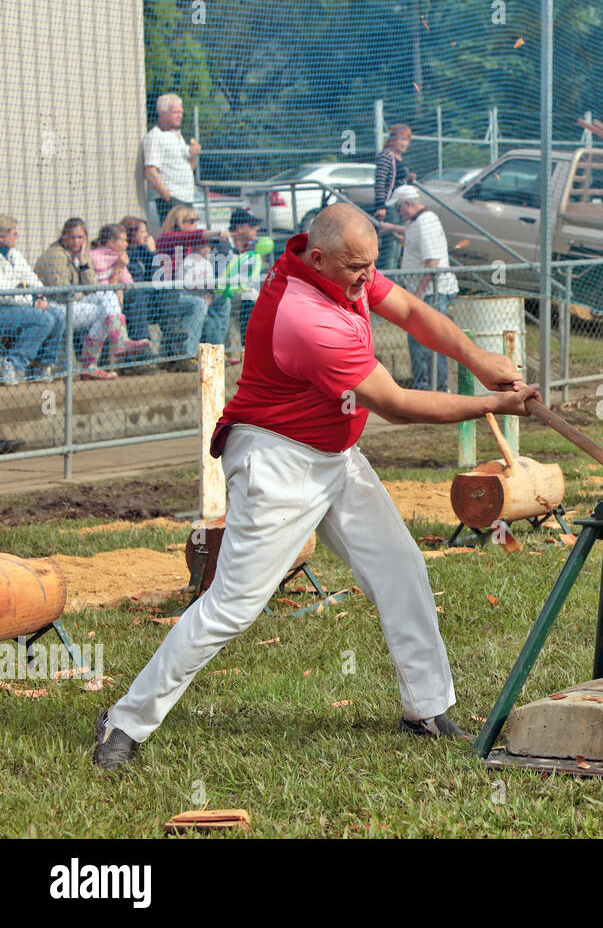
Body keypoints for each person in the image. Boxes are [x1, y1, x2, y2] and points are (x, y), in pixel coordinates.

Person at [92, 203, 536, 770]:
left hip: (334, 453)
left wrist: (475, 357)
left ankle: (426, 708)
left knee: (401, 567)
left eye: (370, 265)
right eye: (356, 268)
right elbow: (397, 405)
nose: (367, 278)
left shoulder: (336, 263)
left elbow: (410, 310)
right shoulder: (305, 318)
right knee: (232, 608)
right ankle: (125, 720)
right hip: (277, 460)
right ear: (319, 258)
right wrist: (495, 403)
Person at [35, 218, 138, 380]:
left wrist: (83, 263)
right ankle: (92, 363)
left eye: (80, 237)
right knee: (105, 313)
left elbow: (93, 285)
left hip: (75, 302)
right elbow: (62, 292)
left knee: (108, 296)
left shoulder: (81, 254)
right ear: (63, 237)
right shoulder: (56, 255)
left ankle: (116, 344)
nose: (76, 241)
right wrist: (84, 293)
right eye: (72, 237)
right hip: (54, 306)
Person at [385, 184, 459, 392]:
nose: (399, 212)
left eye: (399, 208)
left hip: (430, 293)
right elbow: (413, 236)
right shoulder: (415, 222)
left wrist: (419, 291)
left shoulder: (425, 222)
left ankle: (435, 387)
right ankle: (425, 385)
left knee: (428, 340)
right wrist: (392, 228)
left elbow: (432, 261)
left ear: (408, 204)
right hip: (422, 292)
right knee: (419, 339)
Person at [0, 214, 67, 386]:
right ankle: (12, 363)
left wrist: (40, 296)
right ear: (2, 236)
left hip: (23, 304)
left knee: (58, 315)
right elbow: (5, 293)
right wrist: (31, 301)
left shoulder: (14, 254)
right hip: (4, 308)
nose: (17, 236)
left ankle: (41, 365)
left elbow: (32, 279)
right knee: (44, 319)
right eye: (13, 233)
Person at [154, 203, 221, 371]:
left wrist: (210, 295)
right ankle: (187, 355)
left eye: (195, 220)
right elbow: (186, 238)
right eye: (190, 221)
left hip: (183, 292)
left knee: (219, 303)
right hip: (164, 295)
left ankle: (217, 353)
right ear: (177, 223)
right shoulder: (167, 238)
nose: (194, 224)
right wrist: (216, 232)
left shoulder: (190, 246)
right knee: (197, 305)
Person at [84, 224, 154, 378]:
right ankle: (121, 342)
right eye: (122, 240)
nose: (126, 244)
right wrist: (117, 270)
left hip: (106, 304)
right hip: (88, 299)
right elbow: (101, 289)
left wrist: (120, 281)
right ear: (111, 243)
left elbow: (129, 283)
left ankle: (89, 367)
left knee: (106, 316)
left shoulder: (119, 256)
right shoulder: (95, 256)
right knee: (109, 297)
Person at [214, 208, 268, 358]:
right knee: (250, 296)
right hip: (223, 293)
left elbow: (259, 275)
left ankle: (257, 347)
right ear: (239, 228)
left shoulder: (251, 249)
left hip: (244, 294)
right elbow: (222, 278)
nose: (256, 228)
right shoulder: (223, 247)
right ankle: (249, 348)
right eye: (251, 226)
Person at [142, 93, 200, 224]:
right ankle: (177, 247)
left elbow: (188, 168)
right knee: (176, 239)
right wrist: (168, 197)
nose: (180, 116)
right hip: (172, 200)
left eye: (181, 112)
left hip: (187, 197)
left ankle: (183, 247)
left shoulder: (177, 136)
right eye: (175, 112)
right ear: (163, 113)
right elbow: (150, 171)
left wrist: (193, 154)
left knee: (187, 238)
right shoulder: (155, 137)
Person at [372, 123, 417, 269]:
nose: (405, 143)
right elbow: (380, 182)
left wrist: (408, 178)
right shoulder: (386, 156)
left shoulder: (399, 157)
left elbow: (397, 180)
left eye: (407, 140)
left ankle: (393, 278)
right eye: (402, 139)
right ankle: (387, 278)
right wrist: (381, 206)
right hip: (389, 206)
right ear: (392, 139)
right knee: (390, 247)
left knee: (398, 245)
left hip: (400, 206)